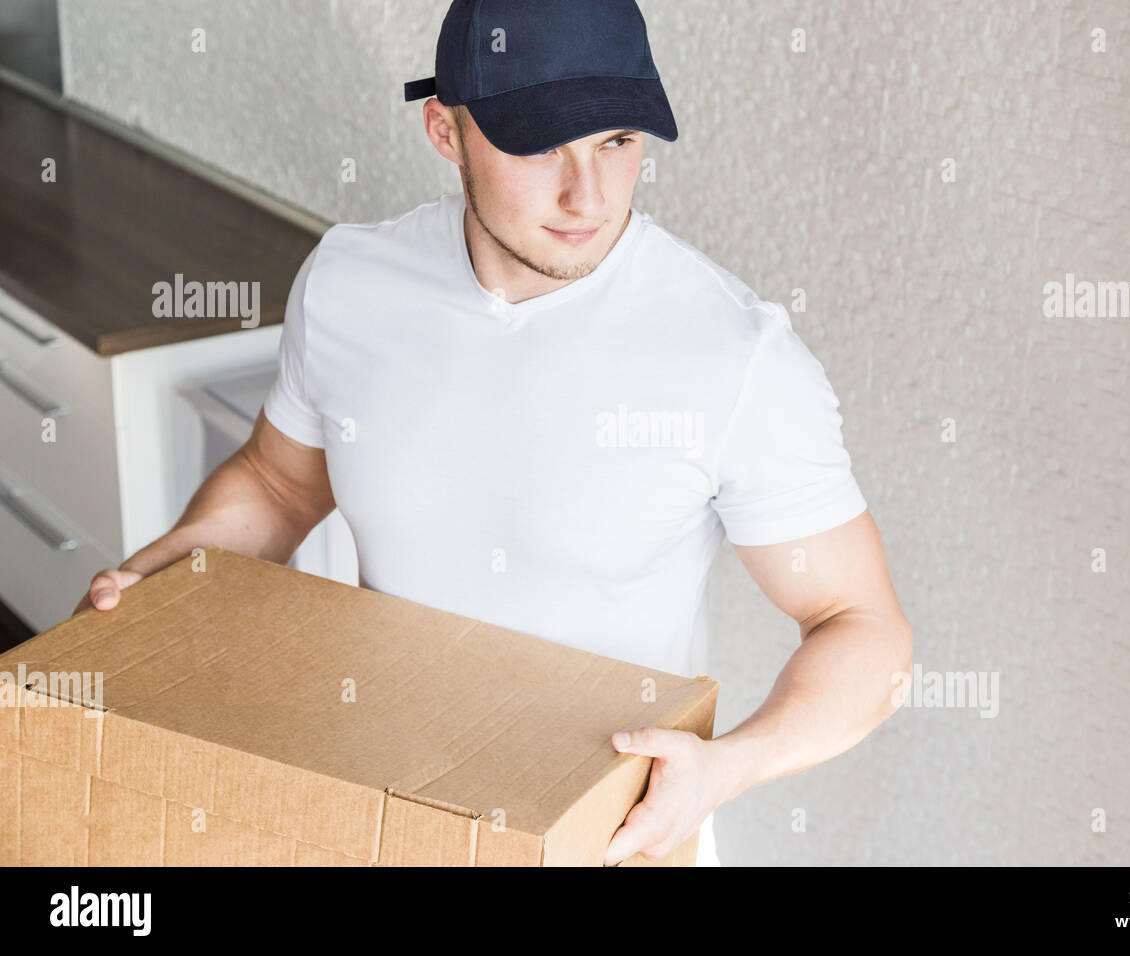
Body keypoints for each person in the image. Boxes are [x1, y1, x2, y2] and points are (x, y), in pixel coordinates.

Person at [75, 0, 912, 867]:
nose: (587, 195)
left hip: (613, 839)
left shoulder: (735, 357)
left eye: (617, 142)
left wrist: (725, 769)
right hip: (382, 813)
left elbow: (865, 627)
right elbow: (281, 483)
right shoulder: (353, 283)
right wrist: (177, 566)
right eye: (542, 143)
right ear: (446, 129)